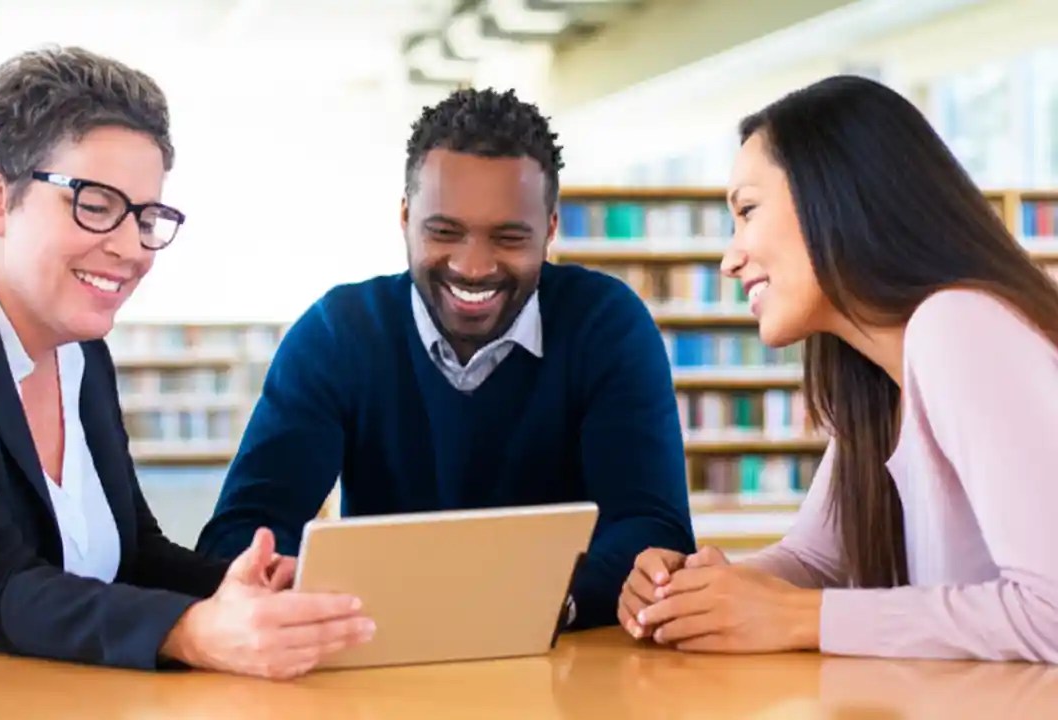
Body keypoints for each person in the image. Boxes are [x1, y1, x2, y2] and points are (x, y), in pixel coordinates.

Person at [0, 46, 374, 675]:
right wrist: (192, 631)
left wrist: (245, 594)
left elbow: (132, 555)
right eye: (95, 205)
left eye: (147, 217)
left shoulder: (79, 353)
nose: (131, 248)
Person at [195, 87, 696, 630]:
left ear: (550, 229)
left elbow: (654, 529)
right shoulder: (339, 333)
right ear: (405, 217)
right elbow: (241, 533)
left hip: (563, 651)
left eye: (509, 237)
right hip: (375, 646)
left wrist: (535, 605)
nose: (473, 267)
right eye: (444, 232)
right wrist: (283, 580)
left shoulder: (606, 324)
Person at [618, 74, 1058, 662]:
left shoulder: (960, 324)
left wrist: (796, 616)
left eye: (747, 211)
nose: (729, 259)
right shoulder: (873, 380)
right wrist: (695, 591)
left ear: (836, 197)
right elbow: (815, 560)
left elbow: (1051, 612)